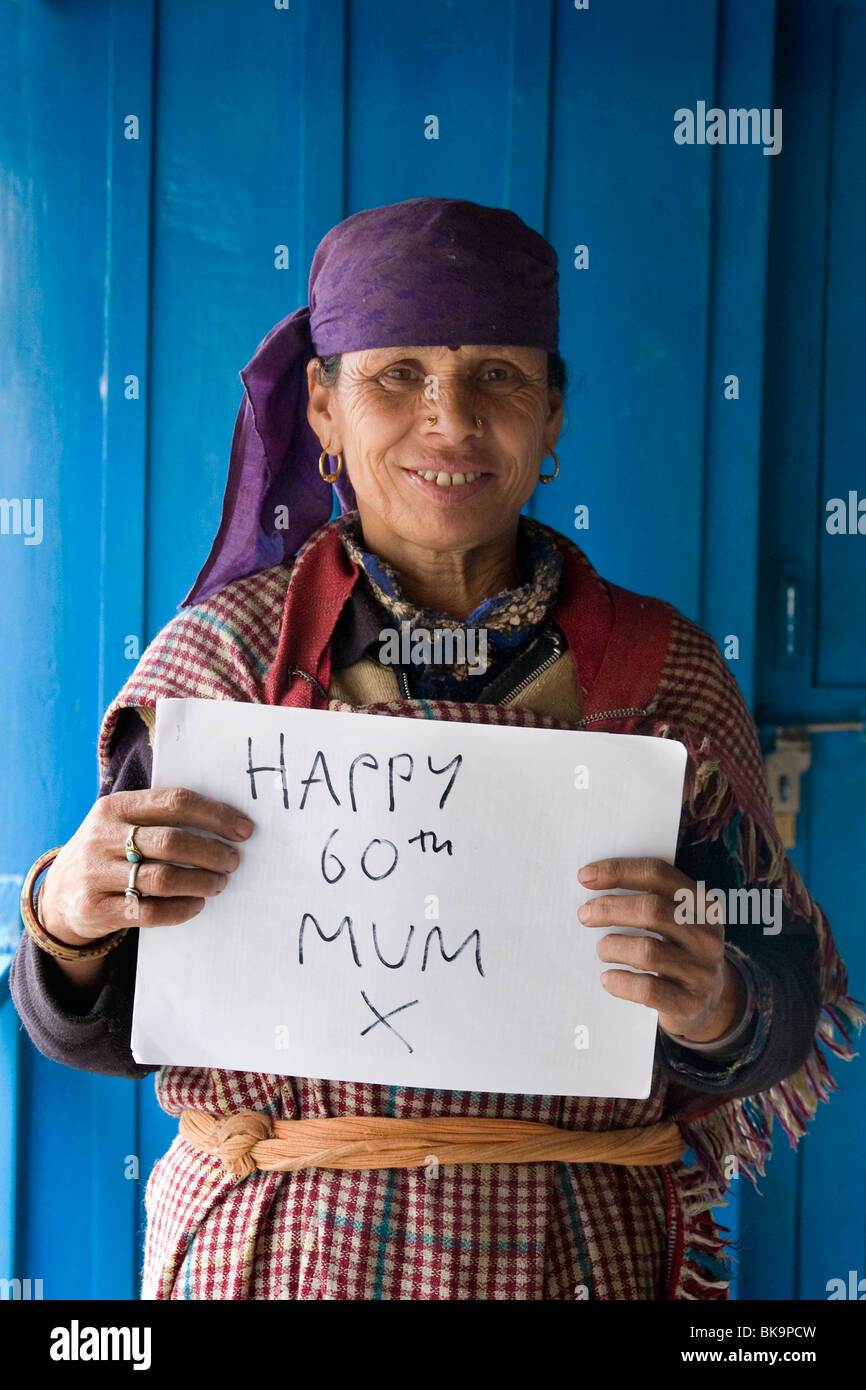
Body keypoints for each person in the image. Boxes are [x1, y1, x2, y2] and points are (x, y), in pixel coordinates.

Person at [11, 197, 861, 1301]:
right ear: (321, 407)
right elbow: (104, 1024)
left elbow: (780, 984)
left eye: (497, 377)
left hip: (573, 1260)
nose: (448, 419)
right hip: (274, 1257)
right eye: (394, 375)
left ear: (552, 414)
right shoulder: (226, 664)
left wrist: (721, 1004)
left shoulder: (662, 676)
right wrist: (65, 915)